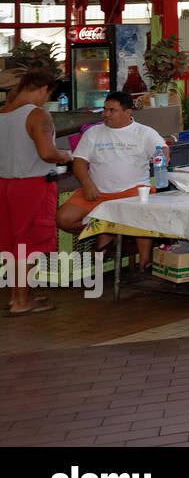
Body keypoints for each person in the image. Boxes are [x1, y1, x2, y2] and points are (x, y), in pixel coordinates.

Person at [55, 91, 167, 272]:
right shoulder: (93, 133)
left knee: (142, 216)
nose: (106, 114)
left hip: (133, 192)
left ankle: (144, 261)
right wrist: (87, 184)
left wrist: (162, 156)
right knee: (64, 219)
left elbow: (161, 149)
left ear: (127, 112)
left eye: (112, 110)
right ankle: (105, 229)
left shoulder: (144, 132)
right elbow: (79, 162)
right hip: (96, 193)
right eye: (105, 110)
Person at [1, 70, 72, 316]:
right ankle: (21, 302)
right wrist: (65, 155)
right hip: (32, 186)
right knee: (29, 243)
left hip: (5, 185)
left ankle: (16, 296)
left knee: (11, 243)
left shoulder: (3, 113)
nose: (46, 99)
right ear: (43, 89)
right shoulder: (37, 114)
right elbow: (46, 153)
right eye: (48, 94)